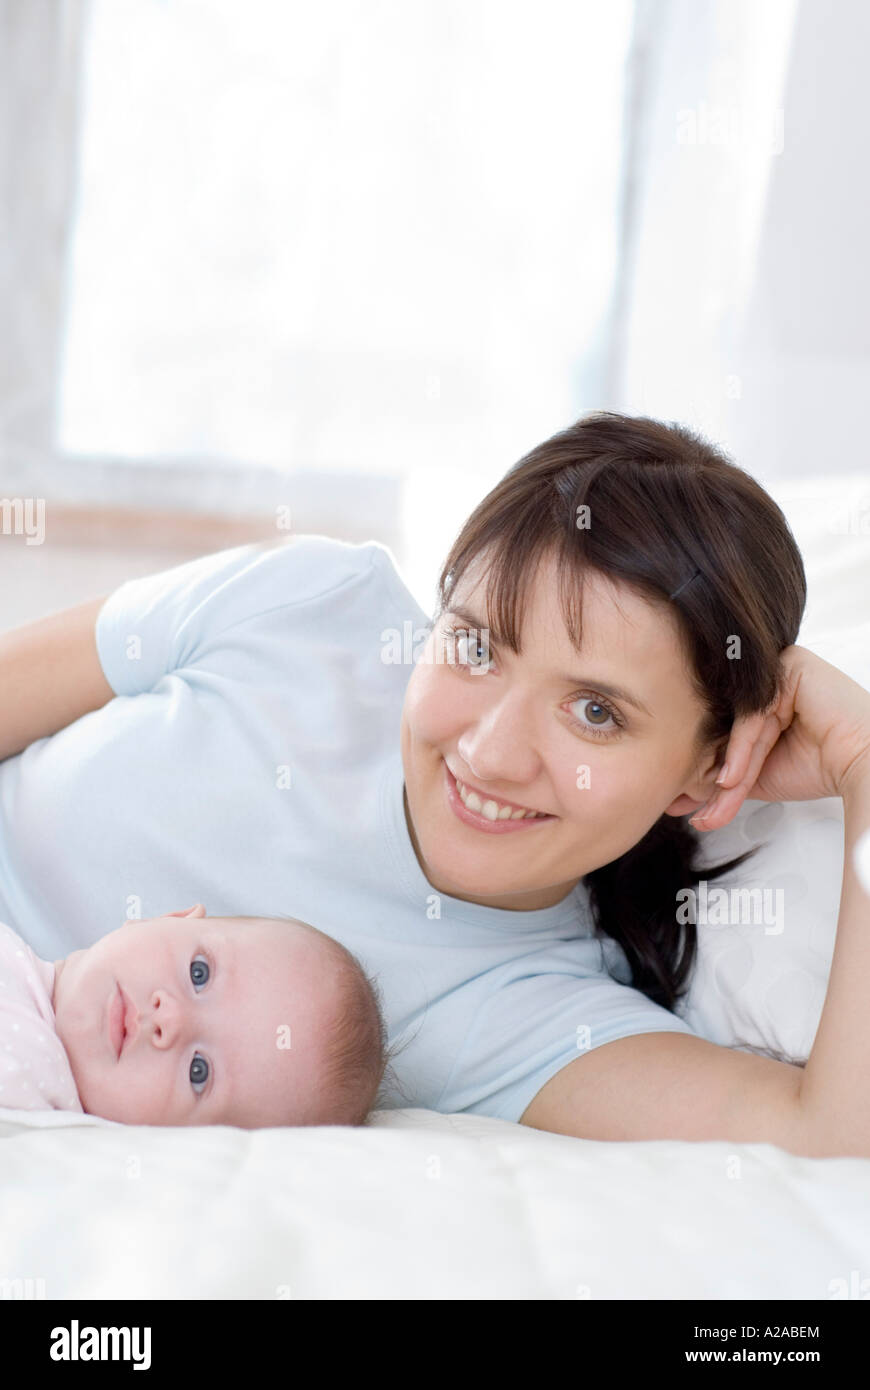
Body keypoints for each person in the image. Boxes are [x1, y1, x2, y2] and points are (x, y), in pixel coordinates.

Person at [1, 411, 869, 1156]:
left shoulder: (528, 1018)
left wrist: (863, 758)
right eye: (478, 647)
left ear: (707, 772)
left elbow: (830, 1135)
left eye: (595, 713)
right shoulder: (310, 601)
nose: (491, 752)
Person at [0, 904, 391, 1127]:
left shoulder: (37, 1106)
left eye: (198, 1072)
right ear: (169, 917)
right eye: (198, 973)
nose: (169, 1019)